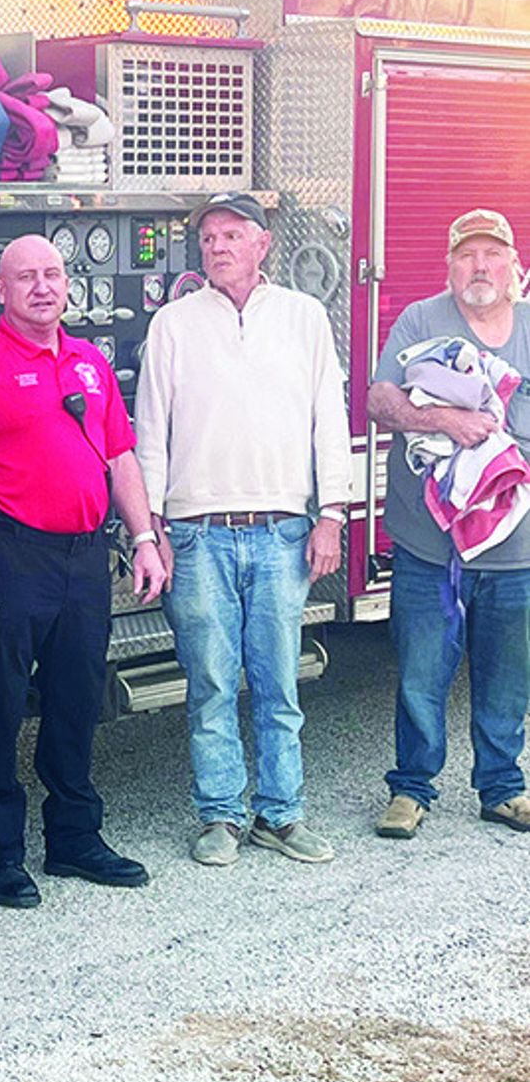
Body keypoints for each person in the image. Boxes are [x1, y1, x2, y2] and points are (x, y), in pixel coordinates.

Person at [0, 233, 168, 910]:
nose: (43, 286)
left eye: (53, 274)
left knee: (77, 698)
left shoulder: (89, 362)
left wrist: (144, 537)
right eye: (26, 276)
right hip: (11, 555)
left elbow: (120, 457)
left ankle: (74, 838)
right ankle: (0, 854)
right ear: (0, 289)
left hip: (85, 555)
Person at [135, 192, 350, 867]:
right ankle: (221, 814)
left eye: (232, 234)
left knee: (279, 682)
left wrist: (333, 514)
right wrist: (151, 528)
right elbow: (151, 432)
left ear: (264, 244)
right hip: (197, 533)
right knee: (211, 682)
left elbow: (330, 420)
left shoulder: (304, 317)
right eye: (208, 237)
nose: (218, 245)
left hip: (283, 528)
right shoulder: (172, 323)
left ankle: (281, 815)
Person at [368, 208, 530, 839]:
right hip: (429, 547)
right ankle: (411, 788)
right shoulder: (421, 320)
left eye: (493, 255)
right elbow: (380, 400)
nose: (480, 267)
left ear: (515, 267)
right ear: (450, 266)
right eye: (467, 255)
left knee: (507, 670)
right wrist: (447, 422)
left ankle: (502, 787)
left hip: (515, 548)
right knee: (420, 669)